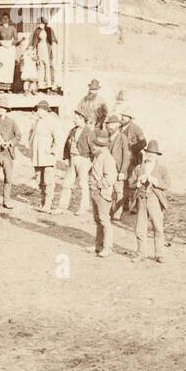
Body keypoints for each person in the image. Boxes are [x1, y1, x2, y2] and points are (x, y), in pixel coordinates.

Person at [132, 139, 171, 262]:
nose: (150, 155)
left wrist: (156, 181)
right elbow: (130, 182)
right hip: (142, 199)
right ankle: (141, 253)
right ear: (145, 153)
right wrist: (138, 182)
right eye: (148, 153)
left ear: (156, 155)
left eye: (153, 154)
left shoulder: (162, 169)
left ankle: (159, 254)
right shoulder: (139, 168)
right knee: (140, 228)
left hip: (154, 200)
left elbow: (167, 184)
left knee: (158, 227)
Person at [53, 109, 95, 216]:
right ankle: (62, 207)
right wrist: (66, 157)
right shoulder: (73, 130)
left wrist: (90, 163)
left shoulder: (89, 132)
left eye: (76, 118)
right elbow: (66, 145)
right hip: (72, 160)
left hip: (83, 160)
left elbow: (94, 150)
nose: (74, 120)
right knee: (66, 184)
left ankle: (83, 208)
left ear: (82, 119)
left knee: (83, 185)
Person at [110, 101, 146, 215]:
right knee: (123, 181)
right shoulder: (119, 128)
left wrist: (131, 150)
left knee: (132, 181)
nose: (123, 118)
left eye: (126, 117)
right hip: (121, 158)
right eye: (123, 116)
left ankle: (135, 204)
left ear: (130, 118)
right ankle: (124, 203)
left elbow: (143, 143)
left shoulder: (136, 128)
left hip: (132, 159)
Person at [88, 126, 119, 257]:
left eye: (95, 144)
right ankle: (98, 245)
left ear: (102, 146)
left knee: (104, 220)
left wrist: (98, 185)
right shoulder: (98, 156)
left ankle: (107, 247)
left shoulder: (107, 158)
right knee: (97, 220)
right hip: (95, 192)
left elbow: (110, 178)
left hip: (102, 194)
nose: (92, 146)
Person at [28, 100, 58, 212]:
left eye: (40, 110)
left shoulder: (52, 122)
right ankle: (42, 202)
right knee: (39, 180)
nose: (38, 112)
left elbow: (59, 138)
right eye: (37, 110)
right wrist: (31, 149)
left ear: (46, 111)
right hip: (37, 157)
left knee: (48, 181)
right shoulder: (35, 122)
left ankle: (48, 204)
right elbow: (30, 136)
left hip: (48, 157)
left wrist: (53, 150)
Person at [0, 14, 18, 90]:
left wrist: (10, 44)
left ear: (9, 19)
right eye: (3, 19)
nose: (5, 20)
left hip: (10, 49)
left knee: (9, 67)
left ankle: (8, 87)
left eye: (6, 19)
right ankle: (1, 88)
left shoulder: (13, 28)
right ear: (1, 20)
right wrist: (2, 44)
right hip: (2, 49)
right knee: (2, 66)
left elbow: (16, 39)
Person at [31, 18, 57, 91]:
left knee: (48, 66)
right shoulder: (37, 31)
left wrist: (52, 47)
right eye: (39, 23)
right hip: (40, 48)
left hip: (47, 48)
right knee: (41, 66)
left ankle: (49, 84)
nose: (40, 25)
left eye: (41, 23)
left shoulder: (49, 30)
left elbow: (53, 39)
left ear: (44, 23)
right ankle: (41, 85)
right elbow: (35, 42)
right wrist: (34, 52)